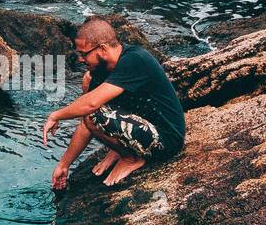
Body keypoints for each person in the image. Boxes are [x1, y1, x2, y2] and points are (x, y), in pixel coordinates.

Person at [43, 17, 185, 190]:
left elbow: (91, 107)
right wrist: (64, 165)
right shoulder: (101, 70)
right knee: (89, 91)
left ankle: (131, 159)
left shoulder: (134, 59)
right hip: (143, 128)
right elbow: (86, 124)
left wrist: (56, 115)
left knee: (93, 111)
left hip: (166, 140)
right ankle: (119, 151)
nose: (80, 59)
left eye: (83, 53)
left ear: (102, 48)